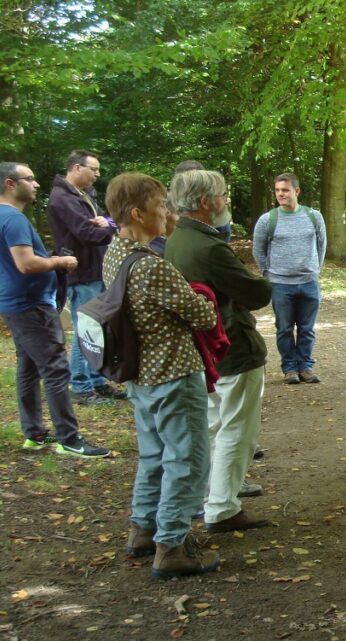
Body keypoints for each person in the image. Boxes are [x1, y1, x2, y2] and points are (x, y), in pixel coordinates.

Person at [102, 172, 220, 578]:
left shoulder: (114, 254)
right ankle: (172, 545)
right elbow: (203, 314)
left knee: (153, 455)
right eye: (160, 207)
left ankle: (143, 529)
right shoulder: (153, 267)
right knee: (187, 459)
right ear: (137, 213)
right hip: (172, 371)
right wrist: (200, 296)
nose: (167, 212)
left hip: (140, 374)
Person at [166, 170, 274, 533]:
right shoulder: (209, 247)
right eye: (223, 195)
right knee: (236, 430)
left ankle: (211, 499)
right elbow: (256, 294)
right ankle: (223, 508)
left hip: (204, 348)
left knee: (215, 427)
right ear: (204, 202)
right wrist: (264, 281)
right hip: (230, 346)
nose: (226, 201)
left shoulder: (177, 239)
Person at [0, 162, 110, 458]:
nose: (37, 184)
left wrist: (50, 259)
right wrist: (60, 262)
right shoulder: (12, 219)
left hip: (17, 303)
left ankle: (35, 434)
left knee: (28, 367)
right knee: (55, 368)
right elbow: (26, 264)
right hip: (30, 306)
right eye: (30, 179)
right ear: (11, 184)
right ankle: (69, 438)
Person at [46, 150, 127, 405]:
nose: (98, 174)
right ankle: (81, 386)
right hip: (81, 272)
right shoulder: (62, 198)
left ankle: (97, 380)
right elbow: (86, 232)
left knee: (96, 328)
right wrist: (114, 228)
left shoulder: (83, 194)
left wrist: (108, 223)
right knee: (86, 330)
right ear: (77, 167)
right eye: (94, 169)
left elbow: (102, 221)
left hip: (95, 269)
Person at [252, 172, 327, 385]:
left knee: (307, 328)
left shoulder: (314, 216)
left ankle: (305, 366)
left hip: (309, 282)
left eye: (285, 190)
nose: (280, 194)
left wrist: (315, 269)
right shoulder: (268, 220)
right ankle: (289, 368)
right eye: (277, 190)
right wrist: (268, 273)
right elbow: (258, 250)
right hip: (281, 283)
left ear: (297, 191)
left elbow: (322, 245)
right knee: (284, 328)